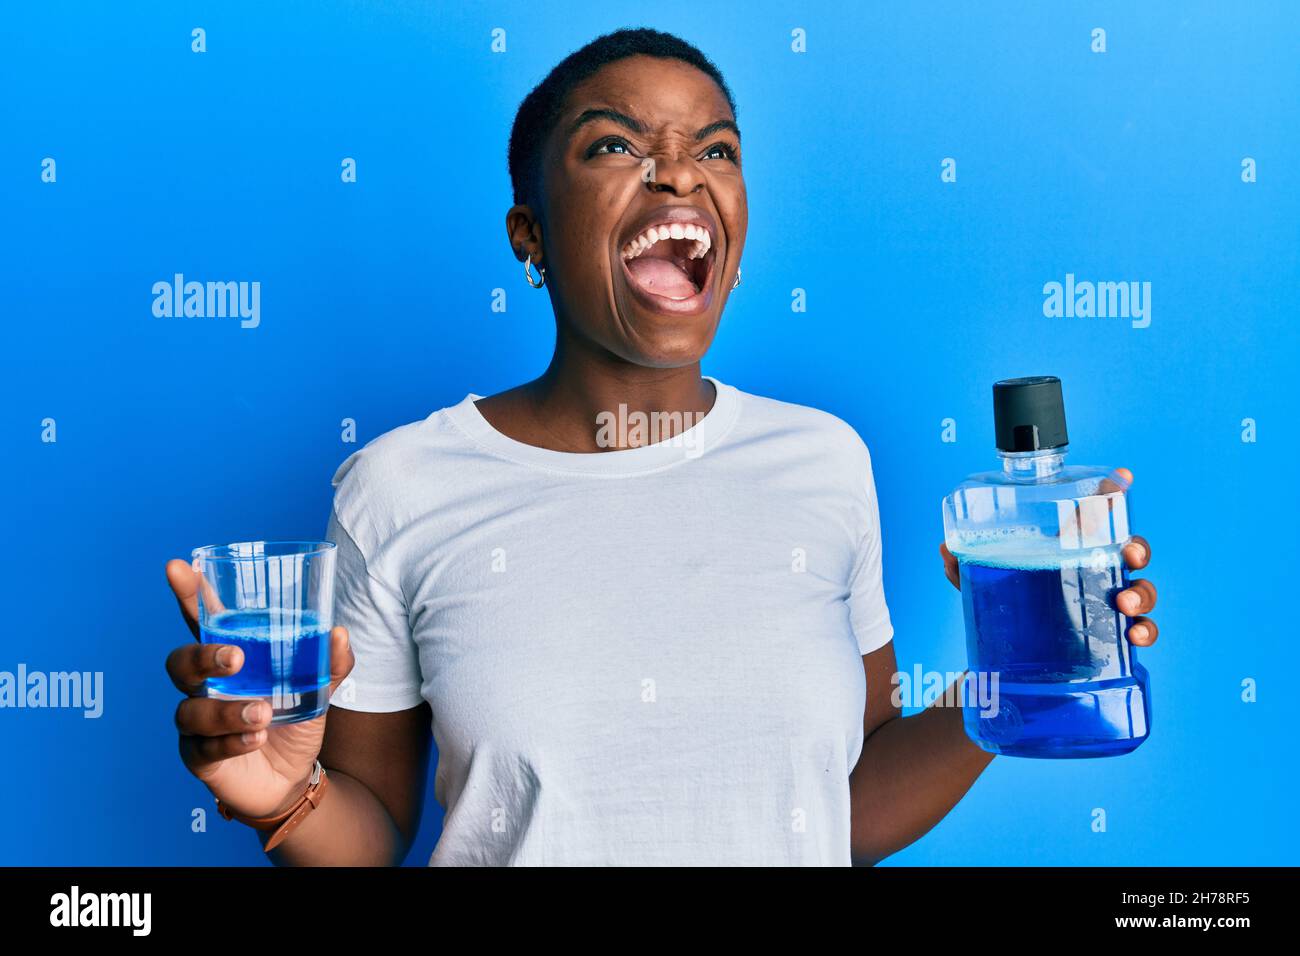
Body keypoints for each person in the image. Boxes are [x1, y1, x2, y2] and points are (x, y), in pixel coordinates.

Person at [165, 28, 1159, 866]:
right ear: (529, 235)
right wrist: (282, 798)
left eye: (716, 151)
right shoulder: (400, 485)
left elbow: (835, 806)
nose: (680, 171)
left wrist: (1019, 670)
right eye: (613, 145)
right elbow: (371, 832)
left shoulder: (823, 460)